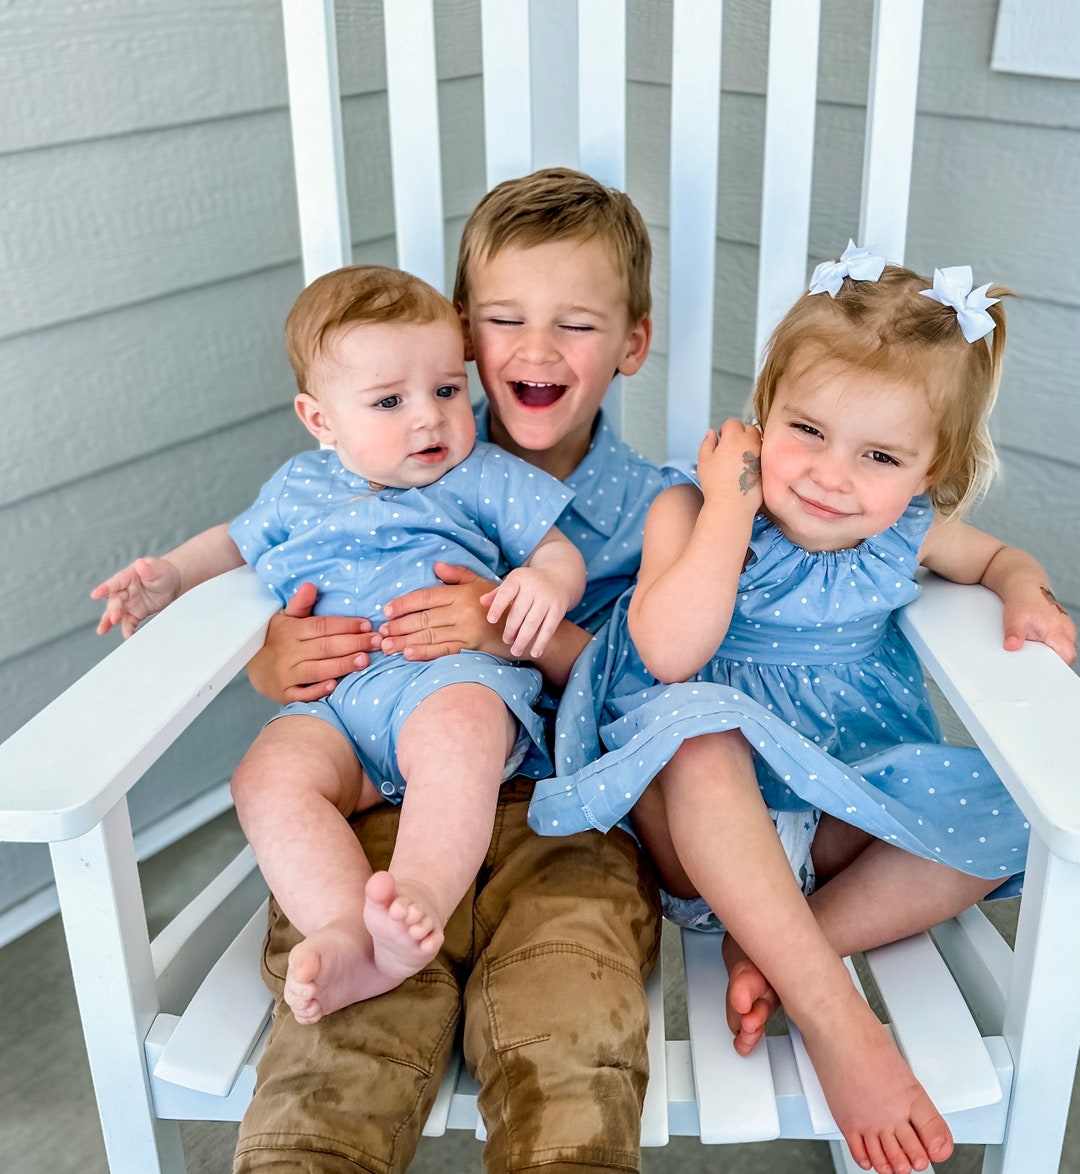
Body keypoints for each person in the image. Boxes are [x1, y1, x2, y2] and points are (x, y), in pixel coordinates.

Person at [527, 246, 1077, 1174]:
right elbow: (669, 653)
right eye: (807, 431)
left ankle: (788, 952)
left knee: (1011, 812)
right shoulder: (689, 511)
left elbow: (997, 561)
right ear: (760, 414)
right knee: (700, 730)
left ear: (929, 470)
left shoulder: (908, 531)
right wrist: (730, 511)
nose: (831, 475)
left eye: (880, 456)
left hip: (837, 835)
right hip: (696, 832)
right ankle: (837, 1018)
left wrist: (1029, 595)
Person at [228, 170, 687, 1174]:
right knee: (342, 1023)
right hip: (380, 804)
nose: (534, 350)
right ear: (461, 330)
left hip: (567, 814)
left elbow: (664, 683)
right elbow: (299, 568)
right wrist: (274, 657)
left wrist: (515, 633)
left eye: (575, 325)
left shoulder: (660, 507)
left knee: (570, 1011)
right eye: (504, 320)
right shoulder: (388, 448)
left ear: (632, 344)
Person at [94, 264, 588, 1021]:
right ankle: (345, 932)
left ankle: (419, 891)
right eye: (390, 401)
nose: (428, 418)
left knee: (460, 733)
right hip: (334, 706)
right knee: (265, 777)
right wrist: (167, 575)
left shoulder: (484, 473)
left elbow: (556, 552)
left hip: (446, 675)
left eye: (447, 390)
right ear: (319, 419)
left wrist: (546, 586)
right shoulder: (297, 489)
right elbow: (232, 543)